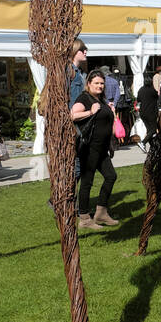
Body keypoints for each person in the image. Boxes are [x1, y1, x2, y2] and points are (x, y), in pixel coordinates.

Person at [71, 70, 118, 230]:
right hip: (89, 148)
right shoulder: (84, 98)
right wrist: (90, 111)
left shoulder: (102, 100)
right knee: (87, 181)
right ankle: (84, 218)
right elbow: (72, 115)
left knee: (111, 176)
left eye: (102, 83)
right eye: (96, 83)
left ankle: (101, 213)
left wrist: (110, 144)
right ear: (89, 84)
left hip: (102, 148)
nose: (100, 86)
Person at [136, 76, 160, 152]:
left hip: (142, 112)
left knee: (150, 130)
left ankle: (154, 147)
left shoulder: (140, 90)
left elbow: (138, 99)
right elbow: (157, 97)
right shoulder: (152, 90)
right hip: (151, 112)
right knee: (153, 130)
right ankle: (143, 142)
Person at [68, 39, 88, 106]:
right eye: (82, 50)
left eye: (86, 49)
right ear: (74, 51)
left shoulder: (82, 73)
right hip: (73, 112)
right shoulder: (69, 71)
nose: (85, 52)